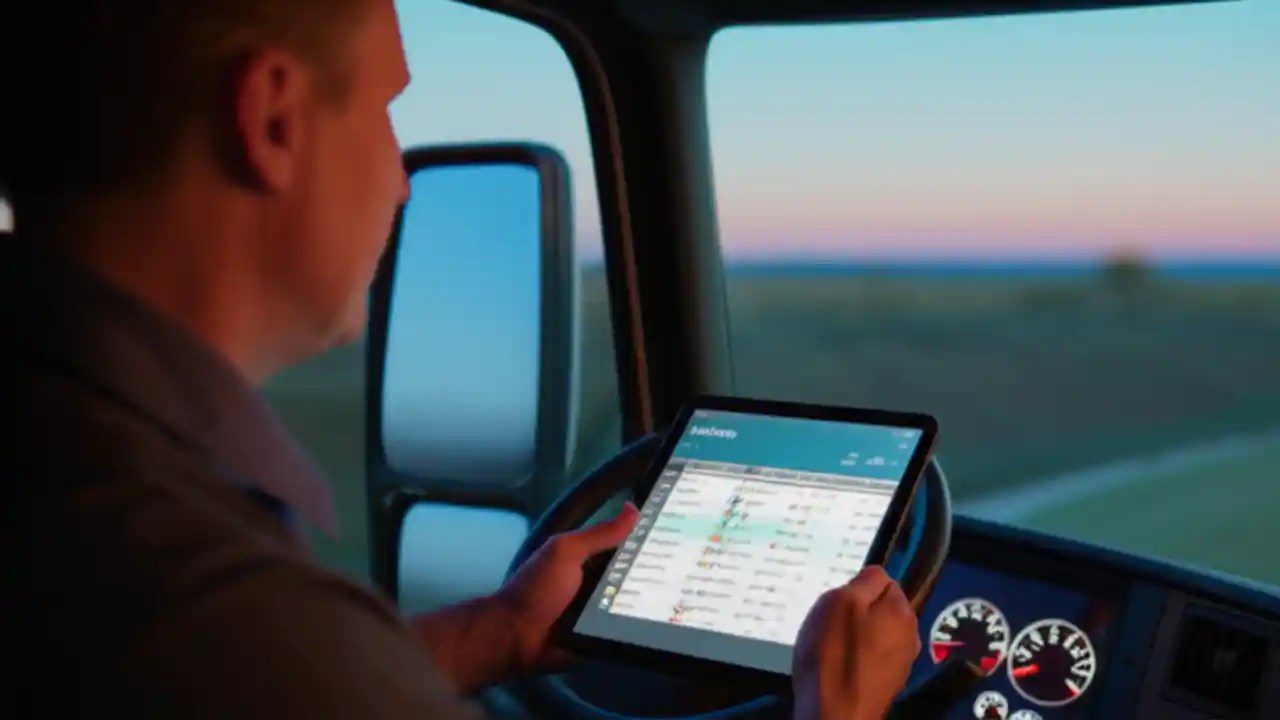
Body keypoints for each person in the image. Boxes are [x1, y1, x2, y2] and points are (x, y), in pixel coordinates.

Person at [0, 1, 921, 718]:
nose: (401, 180)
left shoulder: (73, 475)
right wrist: (835, 708)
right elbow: (264, 661)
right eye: (385, 108)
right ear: (272, 118)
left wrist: (506, 631)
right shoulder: (196, 592)